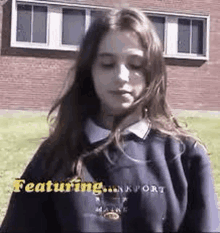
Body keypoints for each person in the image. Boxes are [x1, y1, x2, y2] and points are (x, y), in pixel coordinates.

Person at [1, 7, 219, 233]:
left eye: (135, 65)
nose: (121, 76)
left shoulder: (186, 157)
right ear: (90, 71)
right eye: (107, 64)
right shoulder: (52, 158)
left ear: (151, 72)